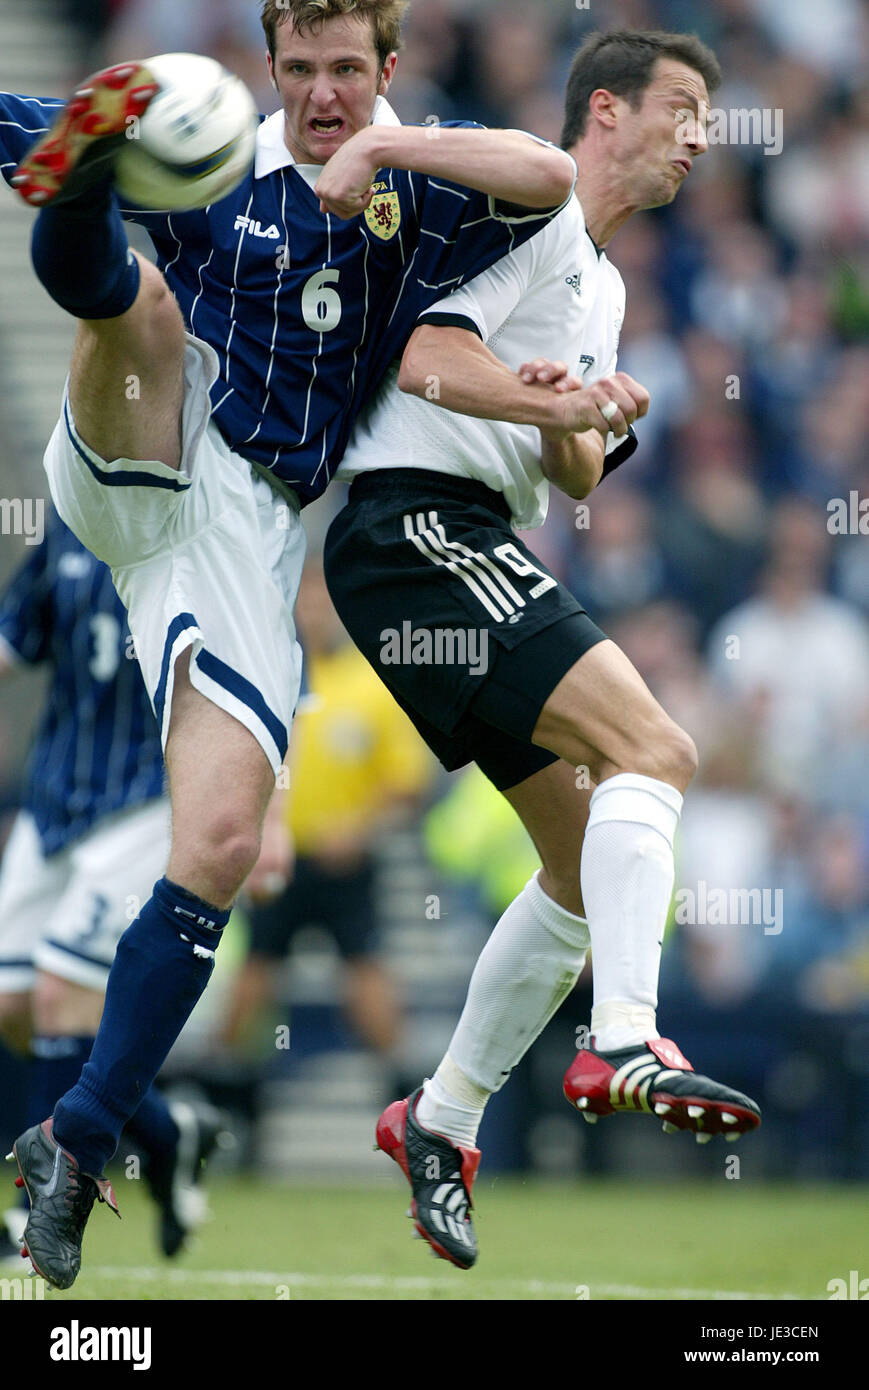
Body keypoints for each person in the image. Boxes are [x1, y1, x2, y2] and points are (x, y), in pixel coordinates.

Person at [0, 0, 576, 1289]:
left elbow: (547, 176)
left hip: (247, 546)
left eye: (345, 71)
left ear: (386, 68)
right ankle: (83, 192)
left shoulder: (411, 196)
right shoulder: (207, 155)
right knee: (141, 312)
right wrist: (77, 144)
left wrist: (391, 150)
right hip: (155, 442)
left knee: (209, 845)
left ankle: (75, 1145)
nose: (321, 95)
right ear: (270, 69)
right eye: (300, 69)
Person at [324, 29, 762, 1268]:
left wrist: (587, 418)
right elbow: (428, 358)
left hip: (461, 530)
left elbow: (569, 470)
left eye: (707, 119)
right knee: (655, 746)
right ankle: (622, 1034)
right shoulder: (538, 214)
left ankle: (440, 1119)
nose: (696, 136)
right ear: (605, 111)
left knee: (578, 866)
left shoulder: (608, 289)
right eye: (679, 109)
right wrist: (553, 401)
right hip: (412, 522)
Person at [0, 516, 221, 1262]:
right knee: (15, 1007)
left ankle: (37, 1211)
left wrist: (275, 811)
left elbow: (273, 664)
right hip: (54, 796)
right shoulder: (64, 524)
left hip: (143, 796)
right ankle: (166, 1134)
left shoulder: (194, 518)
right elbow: (14, 639)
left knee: (61, 993)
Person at [221, 558, 433, 1091]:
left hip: (345, 861)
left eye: (322, 601)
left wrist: (359, 830)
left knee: (365, 973)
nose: (313, 612)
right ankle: (225, 1094)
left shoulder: (371, 684)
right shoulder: (268, 673)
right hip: (276, 854)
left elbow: (406, 783)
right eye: (304, 601)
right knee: (253, 978)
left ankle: (409, 1096)